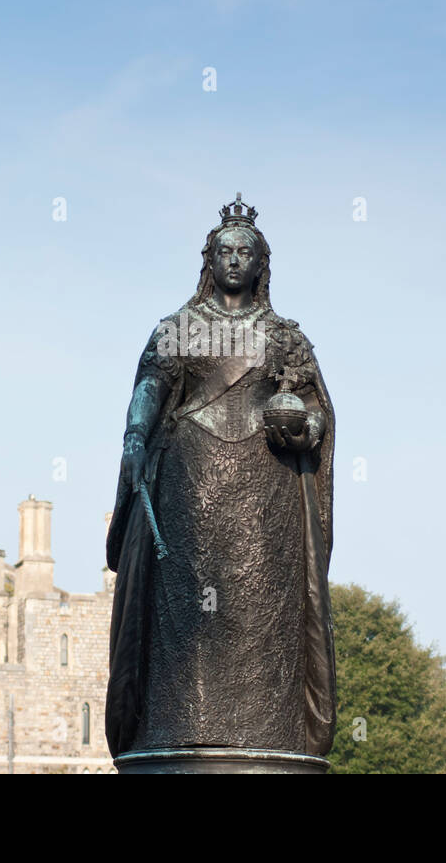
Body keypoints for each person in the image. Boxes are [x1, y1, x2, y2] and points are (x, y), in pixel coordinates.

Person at [105, 195, 337, 757]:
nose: (235, 259)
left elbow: (318, 410)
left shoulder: (285, 337)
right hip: (191, 480)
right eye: (226, 251)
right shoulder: (180, 328)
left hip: (266, 493)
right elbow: (150, 388)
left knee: (262, 616)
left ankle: (271, 744)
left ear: (261, 264)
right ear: (211, 261)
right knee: (184, 621)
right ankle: (175, 740)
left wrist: (303, 425)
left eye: (245, 252)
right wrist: (136, 434)